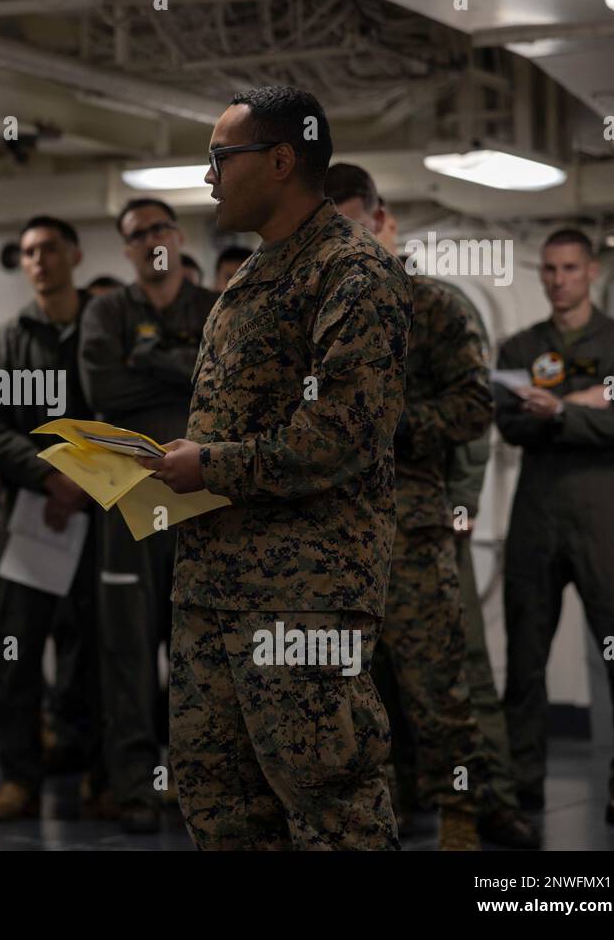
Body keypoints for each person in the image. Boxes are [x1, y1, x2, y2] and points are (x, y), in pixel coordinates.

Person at [141, 85, 411, 850]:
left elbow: (344, 432)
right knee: (220, 803)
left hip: (305, 598)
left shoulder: (351, 271)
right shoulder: (254, 276)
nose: (208, 177)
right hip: (215, 589)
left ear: (283, 160)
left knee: (333, 807)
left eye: (221, 158)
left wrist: (213, 467)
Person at [325, 163, 497, 851]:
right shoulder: (319, 314)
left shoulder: (432, 307)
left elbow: (476, 404)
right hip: (332, 536)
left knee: (437, 687)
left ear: (379, 217)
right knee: (350, 690)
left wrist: (391, 424)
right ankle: (377, 816)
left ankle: (459, 815)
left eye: (350, 225)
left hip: (412, 527)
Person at [495, 227, 614, 825]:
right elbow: (511, 425)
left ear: (591, 271)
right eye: (549, 270)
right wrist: (581, 402)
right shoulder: (518, 347)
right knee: (526, 653)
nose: (559, 280)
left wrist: (558, 408)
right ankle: (523, 782)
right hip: (537, 505)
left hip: (602, 505)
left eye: (569, 268)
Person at [80, 197, 217, 833]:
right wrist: (180, 376)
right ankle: (134, 788)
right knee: (127, 652)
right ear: (128, 250)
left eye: (161, 228)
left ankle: (199, 789)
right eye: (138, 235)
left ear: (179, 236)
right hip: (128, 504)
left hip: (202, 503)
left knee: (201, 650)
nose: (152, 240)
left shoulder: (218, 306)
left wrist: (152, 364)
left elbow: (225, 390)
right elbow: (105, 395)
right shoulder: (106, 311)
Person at [0, 215, 100, 821]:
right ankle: (18, 778)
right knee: (16, 655)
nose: (39, 260)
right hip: (30, 519)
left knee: (97, 652)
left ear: (73, 254)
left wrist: (82, 484)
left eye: (49, 248)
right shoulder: (5, 342)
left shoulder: (104, 328)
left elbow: (123, 416)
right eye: (27, 252)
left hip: (101, 518)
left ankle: (97, 774)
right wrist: (49, 476)